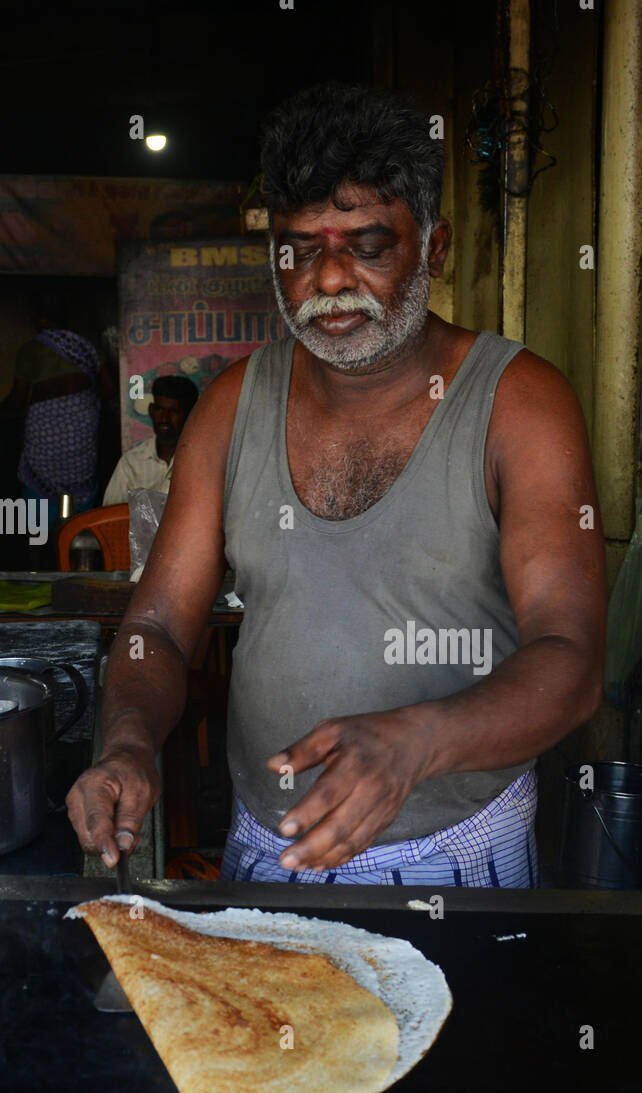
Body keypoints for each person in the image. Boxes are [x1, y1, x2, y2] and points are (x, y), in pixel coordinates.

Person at [67, 81, 607, 889]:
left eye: (367, 244)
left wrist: (417, 741)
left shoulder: (520, 404)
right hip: (264, 839)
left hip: (454, 851)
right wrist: (129, 742)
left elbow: (571, 659)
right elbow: (160, 625)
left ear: (434, 248)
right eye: (300, 248)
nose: (327, 279)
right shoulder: (230, 405)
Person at [9, 305, 102, 525]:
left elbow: (18, 399)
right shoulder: (86, 345)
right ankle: (72, 541)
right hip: (82, 429)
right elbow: (108, 387)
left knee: (38, 496)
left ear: (39, 319)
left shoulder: (31, 349)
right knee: (77, 494)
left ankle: (39, 553)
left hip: (44, 436)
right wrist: (79, 405)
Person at [103, 376, 198, 506]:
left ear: (190, 415)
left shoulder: (200, 461)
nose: (165, 418)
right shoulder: (131, 463)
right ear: (151, 410)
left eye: (174, 411)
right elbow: (111, 519)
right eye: (159, 409)